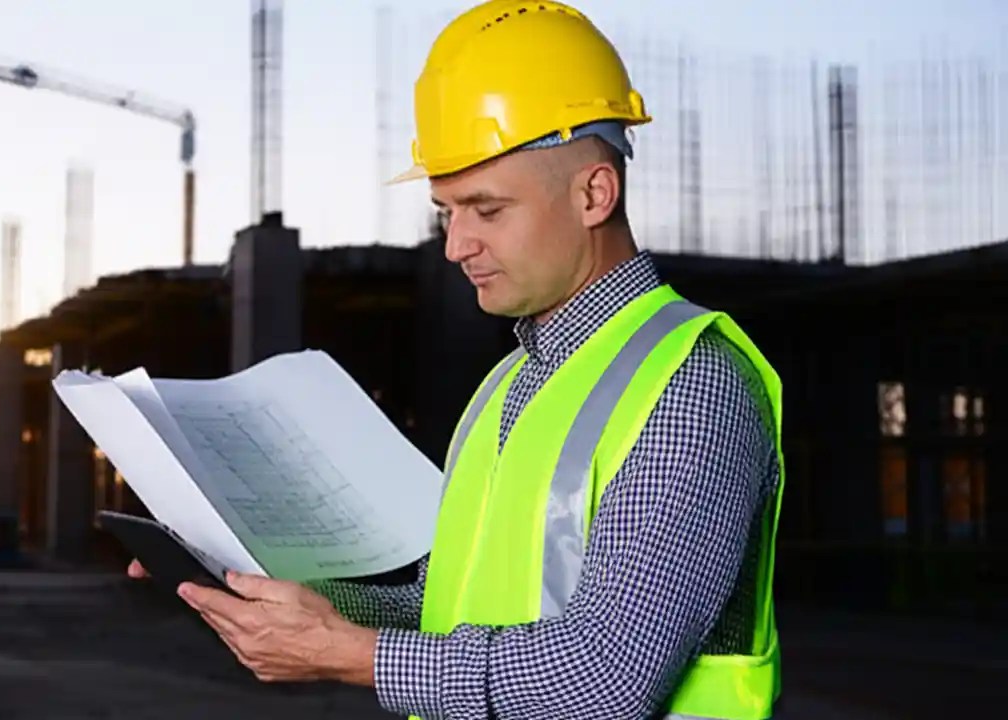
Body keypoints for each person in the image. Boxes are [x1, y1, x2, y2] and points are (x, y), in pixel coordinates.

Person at [132, 1, 785, 718]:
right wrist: (243, 588)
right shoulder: (509, 386)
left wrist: (348, 656)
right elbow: (440, 606)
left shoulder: (690, 382)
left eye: (487, 209)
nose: (455, 244)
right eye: (448, 211)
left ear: (595, 193)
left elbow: (608, 674)